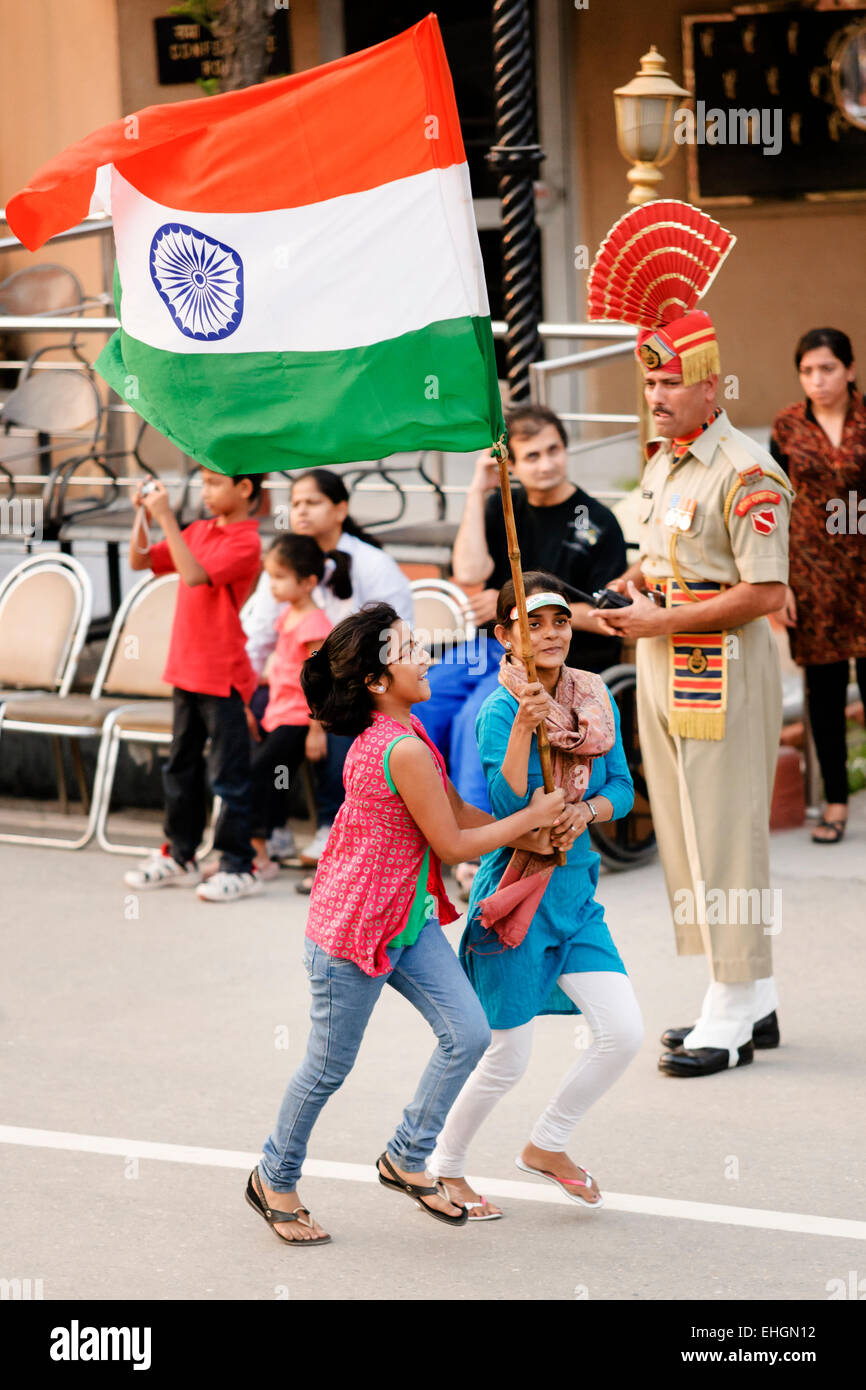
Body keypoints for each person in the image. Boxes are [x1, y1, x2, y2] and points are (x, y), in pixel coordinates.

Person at [246, 603, 566, 1245]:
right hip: (353, 933)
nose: (426, 657)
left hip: (406, 919)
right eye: (411, 649)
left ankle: (405, 1156)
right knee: (327, 1067)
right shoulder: (396, 748)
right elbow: (450, 846)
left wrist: (531, 817)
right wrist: (533, 821)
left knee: (468, 1033)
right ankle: (272, 1177)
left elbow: (457, 812)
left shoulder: (411, 733)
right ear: (375, 681)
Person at [591, 302, 794, 1078]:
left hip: (722, 670)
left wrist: (662, 618)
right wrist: (634, 580)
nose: (657, 394)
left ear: (712, 388)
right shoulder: (663, 460)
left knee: (726, 837)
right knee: (681, 831)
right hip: (662, 659)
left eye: (671, 381)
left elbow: (765, 594)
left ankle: (731, 1007)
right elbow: (664, 549)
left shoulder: (747, 472)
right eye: (650, 380)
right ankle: (754, 995)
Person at [428, 574, 641, 1219]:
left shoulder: (595, 695)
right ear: (505, 636)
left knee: (624, 1032)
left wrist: (590, 809)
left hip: (576, 894)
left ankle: (547, 1144)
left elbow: (625, 788)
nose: (551, 634)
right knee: (506, 1055)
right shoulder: (498, 709)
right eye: (535, 622)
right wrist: (524, 730)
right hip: (519, 892)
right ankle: (444, 1167)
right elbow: (504, 805)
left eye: (560, 621)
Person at [417, 406, 627, 816]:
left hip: (560, 653)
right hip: (492, 646)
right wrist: (478, 491)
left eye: (554, 450)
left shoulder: (597, 521)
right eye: (532, 456)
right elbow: (469, 572)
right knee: (423, 703)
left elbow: (609, 617)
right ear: (510, 462)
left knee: (474, 716)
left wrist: (532, 615)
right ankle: (432, 819)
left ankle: (479, 837)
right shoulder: (502, 507)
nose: (547, 464)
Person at [242, 469, 414, 880]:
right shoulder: (284, 563)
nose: (300, 510)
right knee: (251, 714)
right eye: (295, 502)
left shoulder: (373, 565)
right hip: (296, 688)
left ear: (340, 509)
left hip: (360, 683)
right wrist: (242, 693)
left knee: (340, 715)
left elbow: (395, 637)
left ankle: (329, 828)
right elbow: (257, 635)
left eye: (312, 502)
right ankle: (272, 829)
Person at [123, 469, 264, 902]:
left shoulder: (247, 541)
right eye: (202, 483)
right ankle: (180, 853)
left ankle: (239, 864)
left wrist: (165, 517)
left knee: (229, 774)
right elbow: (141, 560)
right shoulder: (198, 529)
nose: (205, 492)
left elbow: (195, 575)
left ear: (245, 489)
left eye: (214, 484)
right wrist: (144, 516)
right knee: (180, 767)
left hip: (222, 673)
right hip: (185, 670)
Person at [771, 328, 866, 844]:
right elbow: (776, 504)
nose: (818, 380)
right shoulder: (786, 426)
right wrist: (778, 581)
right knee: (825, 699)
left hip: (865, 576)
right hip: (810, 583)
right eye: (807, 371)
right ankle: (834, 801)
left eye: (827, 369)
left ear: (849, 370)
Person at [248, 535, 332, 880]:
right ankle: (273, 841)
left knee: (257, 774)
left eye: (280, 577)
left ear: (309, 581)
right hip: (277, 711)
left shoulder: (314, 625)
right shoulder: (288, 615)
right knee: (275, 779)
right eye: (269, 577)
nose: (272, 585)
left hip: (297, 718)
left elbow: (320, 679)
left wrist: (316, 728)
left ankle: (256, 854)